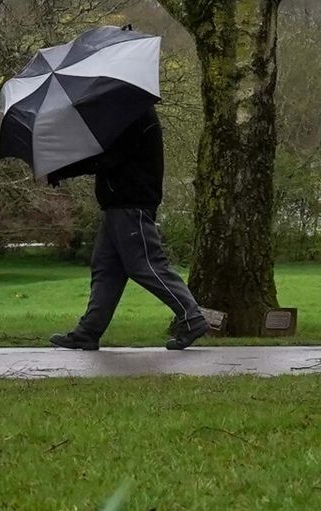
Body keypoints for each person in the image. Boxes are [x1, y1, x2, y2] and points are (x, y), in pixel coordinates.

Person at [46, 107, 209, 352]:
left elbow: (108, 158)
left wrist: (64, 168)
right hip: (117, 206)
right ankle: (88, 332)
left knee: (145, 264)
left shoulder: (135, 116)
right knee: (106, 270)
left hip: (131, 205)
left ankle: (191, 316)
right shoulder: (127, 115)